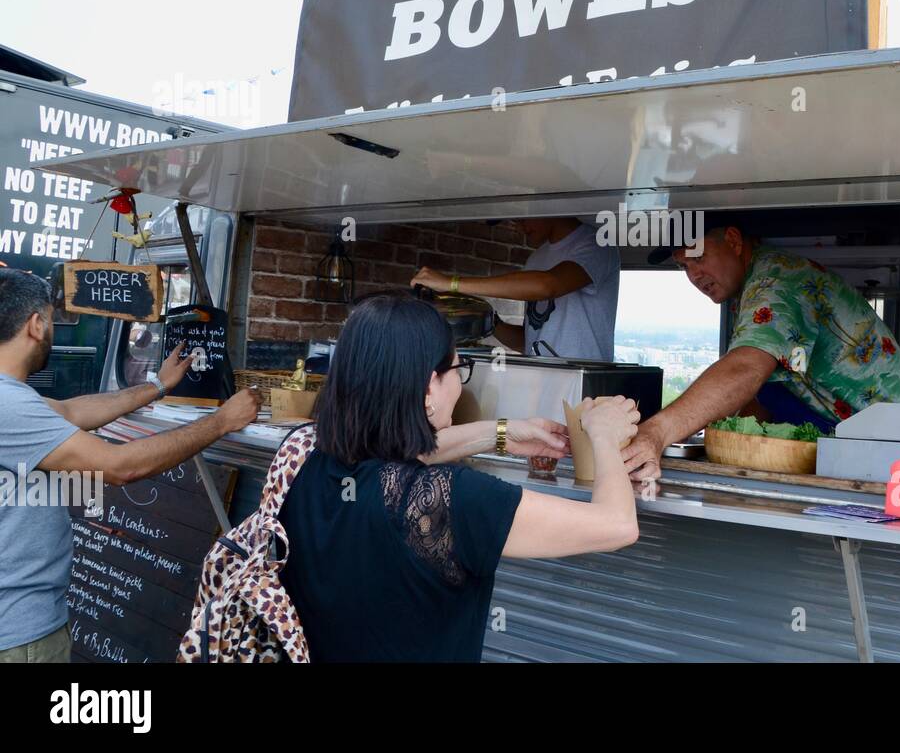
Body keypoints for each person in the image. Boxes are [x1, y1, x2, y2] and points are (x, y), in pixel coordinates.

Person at [277, 290, 639, 662]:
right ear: (427, 387)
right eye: (458, 368)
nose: (461, 383)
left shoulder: (301, 456)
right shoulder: (451, 499)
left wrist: (500, 433)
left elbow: (395, 453)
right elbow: (617, 524)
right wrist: (603, 435)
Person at [0, 268, 260, 663]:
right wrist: (222, 421)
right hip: (18, 637)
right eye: (51, 321)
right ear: (36, 325)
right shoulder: (9, 405)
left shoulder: (14, 400)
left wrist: (157, 386)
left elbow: (70, 411)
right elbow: (122, 466)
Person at [623, 227, 900, 483]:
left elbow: (745, 368)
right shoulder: (748, 290)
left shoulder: (777, 282)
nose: (693, 274)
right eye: (684, 266)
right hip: (860, 444)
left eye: (698, 257)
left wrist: (657, 432)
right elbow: (760, 396)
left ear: (733, 240)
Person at [411, 217, 620, 361]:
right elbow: (527, 341)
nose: (519, 227)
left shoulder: (596, 243)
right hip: (541, 382)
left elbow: (547, 285)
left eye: (522, 218)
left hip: (581, 388)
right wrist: (481, 316)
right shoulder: (536, 258)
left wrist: (452, 282)